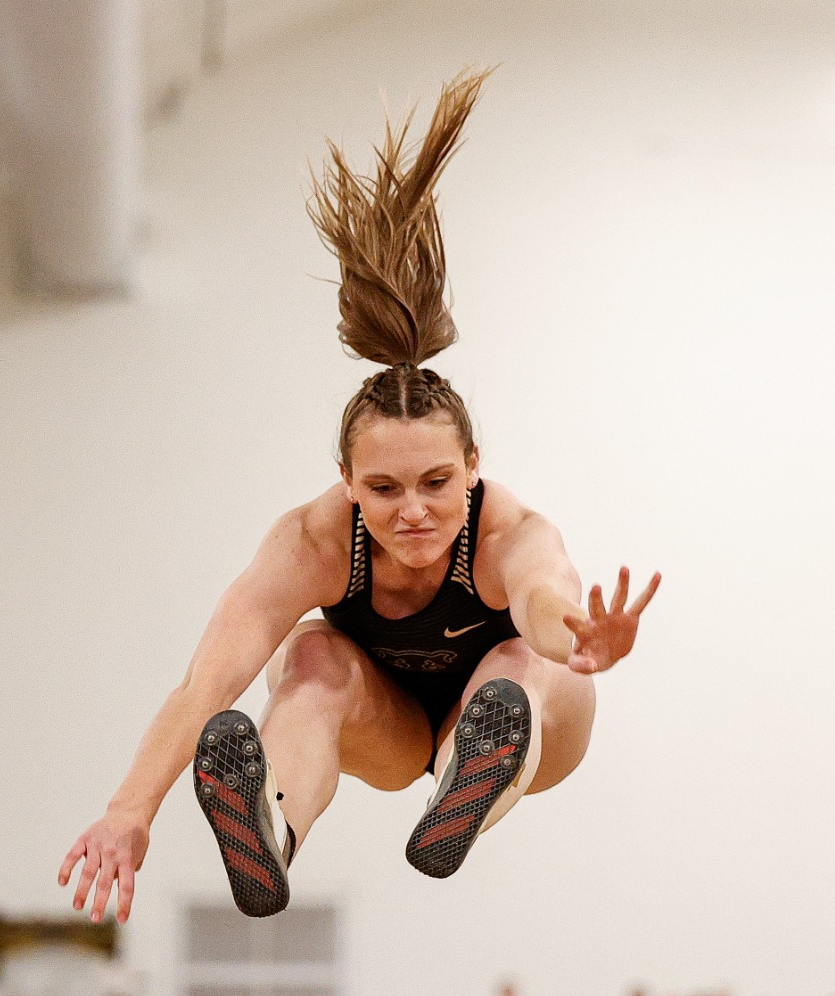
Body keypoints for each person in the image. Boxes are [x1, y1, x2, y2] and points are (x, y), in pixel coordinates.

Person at [59, 70, 661, 923]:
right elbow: (207, 682)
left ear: (475, 468)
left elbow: (539, 600)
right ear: (347, 480)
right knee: (305, 657)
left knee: (517, 666)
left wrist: (581, 635)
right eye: (382, 487)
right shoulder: (313, 539)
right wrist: (128, 811)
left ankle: (472, 780)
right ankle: (270, 823)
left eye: (436, 483)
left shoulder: (507, 532)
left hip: (535, 714)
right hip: (387, 726)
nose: (411, 509)